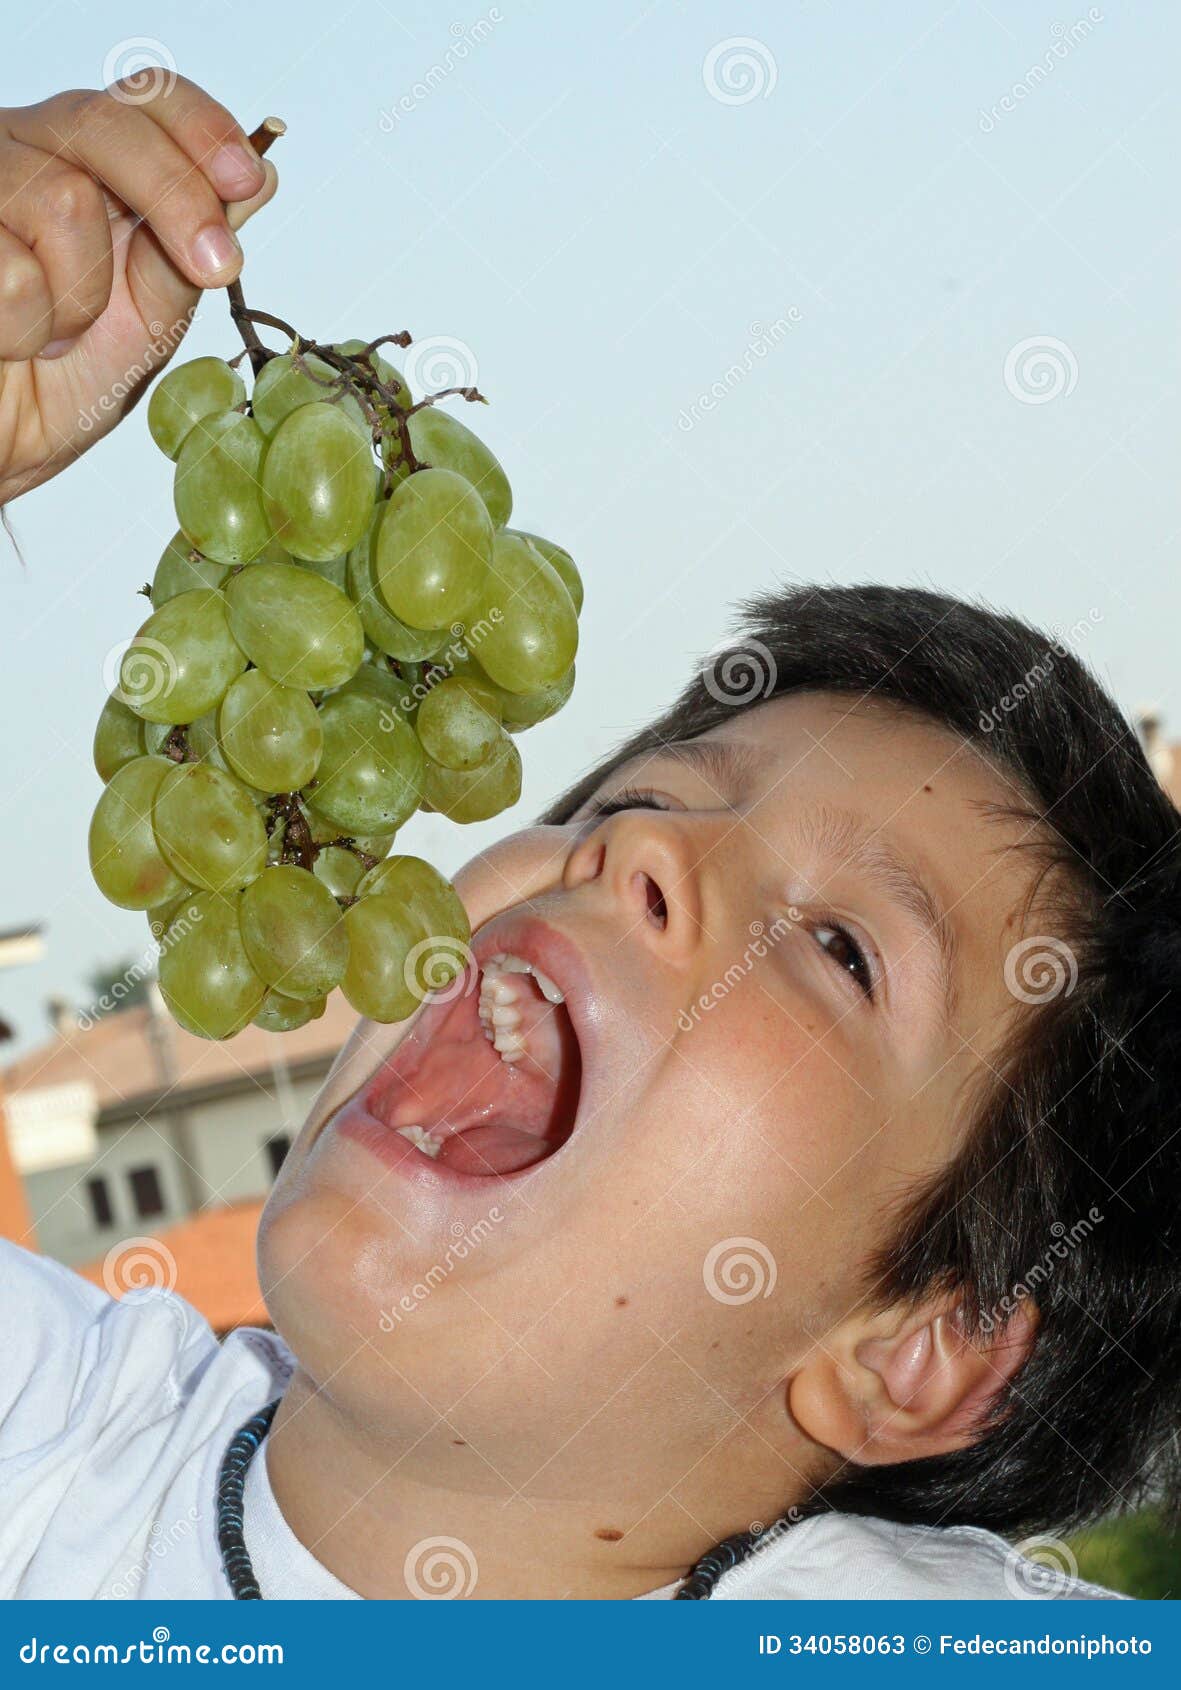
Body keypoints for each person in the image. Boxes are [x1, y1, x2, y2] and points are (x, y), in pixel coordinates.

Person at [1, 76, 1175, 1603]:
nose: (637, 857)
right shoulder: (54, 1443)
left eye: (837, 947)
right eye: (633, 799)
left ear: (914, 1348)